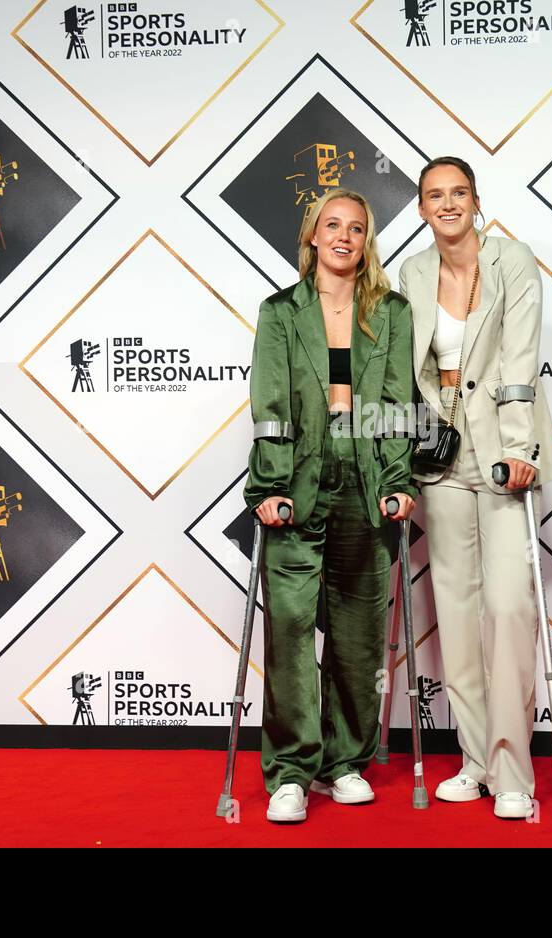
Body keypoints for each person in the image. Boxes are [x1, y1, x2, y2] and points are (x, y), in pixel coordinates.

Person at [398, 156, 552, 819]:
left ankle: (512, 770)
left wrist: (521, 445)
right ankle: (474, 760)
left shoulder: (512, 261)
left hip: (502, 456)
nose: (446, 204)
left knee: (507, 607)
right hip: (437, 461)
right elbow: (406, 369)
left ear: (475, 200)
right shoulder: (411, 273)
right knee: (458, 615)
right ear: (420, 209)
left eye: (457, 192)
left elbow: (520, 357)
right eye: (434, 195)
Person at [244, 188, 417, 823]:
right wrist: (269, 488)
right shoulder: (281, 311)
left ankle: (344, 761)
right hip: (299, 477)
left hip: (366, 477)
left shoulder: (391, 311)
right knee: (289, 628)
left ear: (367, 241)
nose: (344, 236)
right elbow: (269, 409)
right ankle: (291, 770)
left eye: (357, 228)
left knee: (358, 631)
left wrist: (399, 478)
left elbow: (398, 406)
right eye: (333, 225)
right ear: (312, 234)